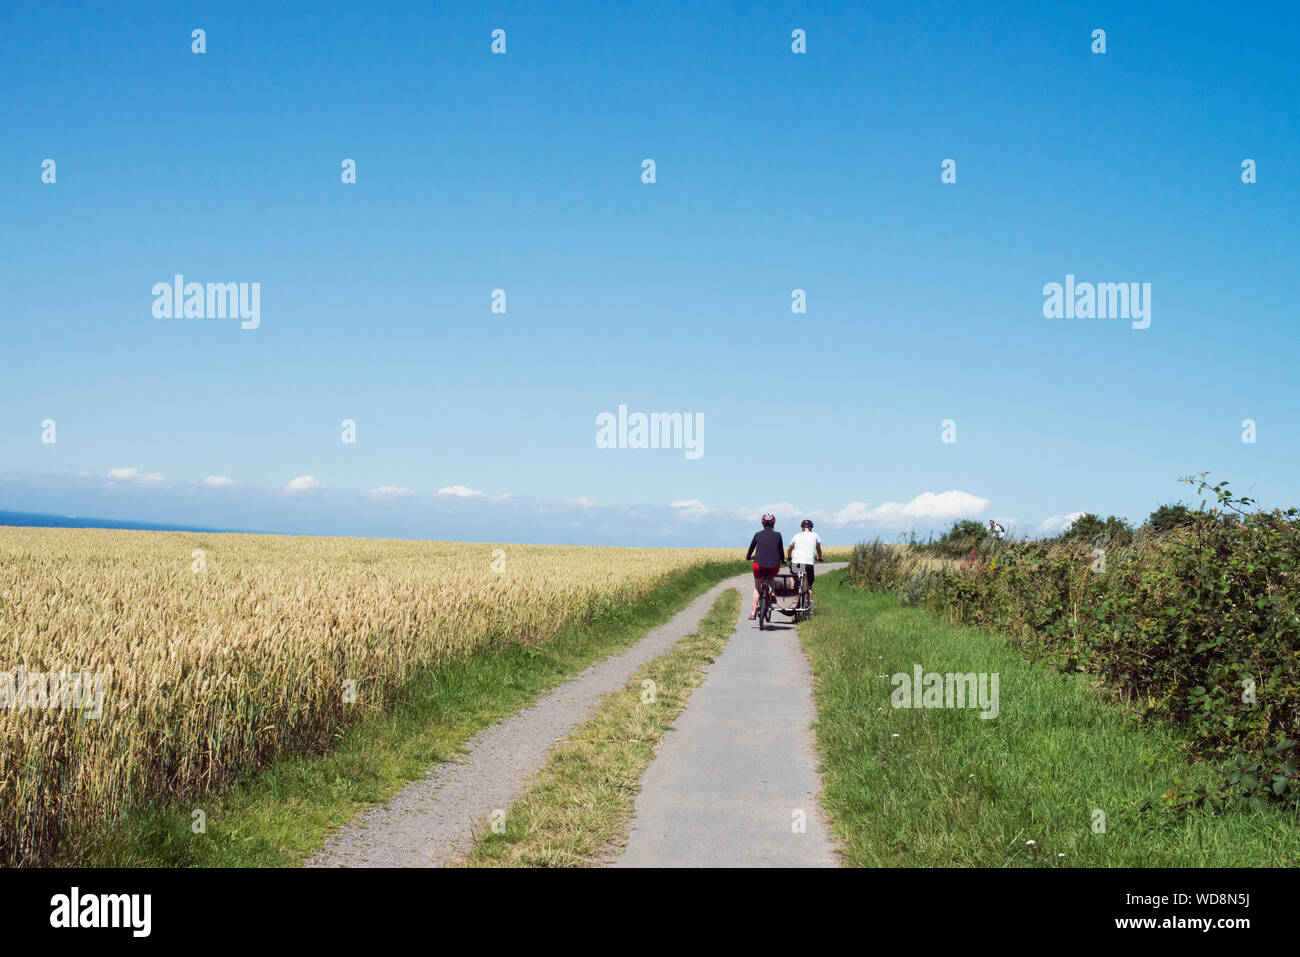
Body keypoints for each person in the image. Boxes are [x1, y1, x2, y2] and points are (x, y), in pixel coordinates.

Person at [745, 513, 784, 620]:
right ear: (773, 523)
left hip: (758, 565)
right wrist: (783, 560)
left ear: (763, 523)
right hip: (773, 566)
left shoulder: (757, 534)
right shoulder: (778, 535)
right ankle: (772, 592)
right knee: (771, 578)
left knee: (757, 587)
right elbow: (781, 551)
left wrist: (748, 557)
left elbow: (751, 548)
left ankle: (753, 614)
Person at [786, 519, 824, 597]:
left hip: (797, 562)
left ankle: (794, 591)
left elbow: (789, 549)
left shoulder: (796, 536)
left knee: (792, 574)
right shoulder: (815, 535)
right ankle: (808, 604)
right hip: (808, 563)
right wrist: (820, 557)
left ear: (802, 528)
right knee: (809, 586)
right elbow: (818, 549)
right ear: (811, 528)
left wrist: (789, 557)